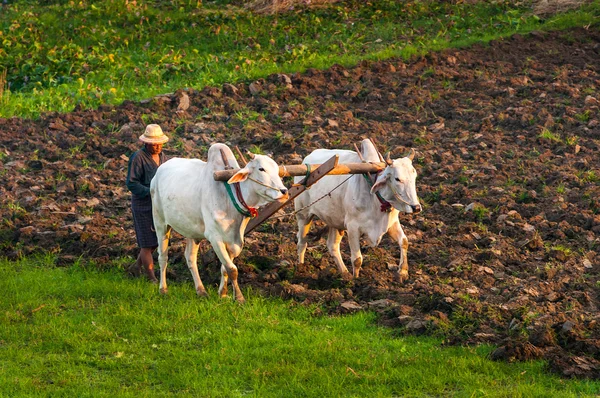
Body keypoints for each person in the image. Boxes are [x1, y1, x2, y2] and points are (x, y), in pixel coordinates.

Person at [126, 124, 169, 283]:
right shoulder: (138, 158)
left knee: (156, 241)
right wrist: (150, 192)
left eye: (159, 143)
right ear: (146, 143)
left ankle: (136, 267)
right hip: (143, 205)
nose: (157, 146)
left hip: (159, 206)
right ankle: (152, 278)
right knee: (146, 243)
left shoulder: (164, 158)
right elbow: (131, 183)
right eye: (153, 143)